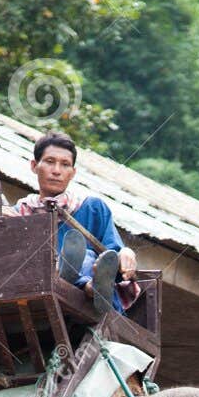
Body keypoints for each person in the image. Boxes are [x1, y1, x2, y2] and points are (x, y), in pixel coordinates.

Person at [12, 131, 141, 316]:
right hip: (38, 292)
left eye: (65, 165)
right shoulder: (18, 214)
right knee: (47, 264)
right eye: (49, 161)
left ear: (72, 173)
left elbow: (112, 257)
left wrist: (126, 253)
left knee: (88, 258)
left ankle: (87, 285)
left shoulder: (92, 208)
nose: (57, 170)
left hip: (94, 306)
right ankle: (78, 281)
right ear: (34, 166)